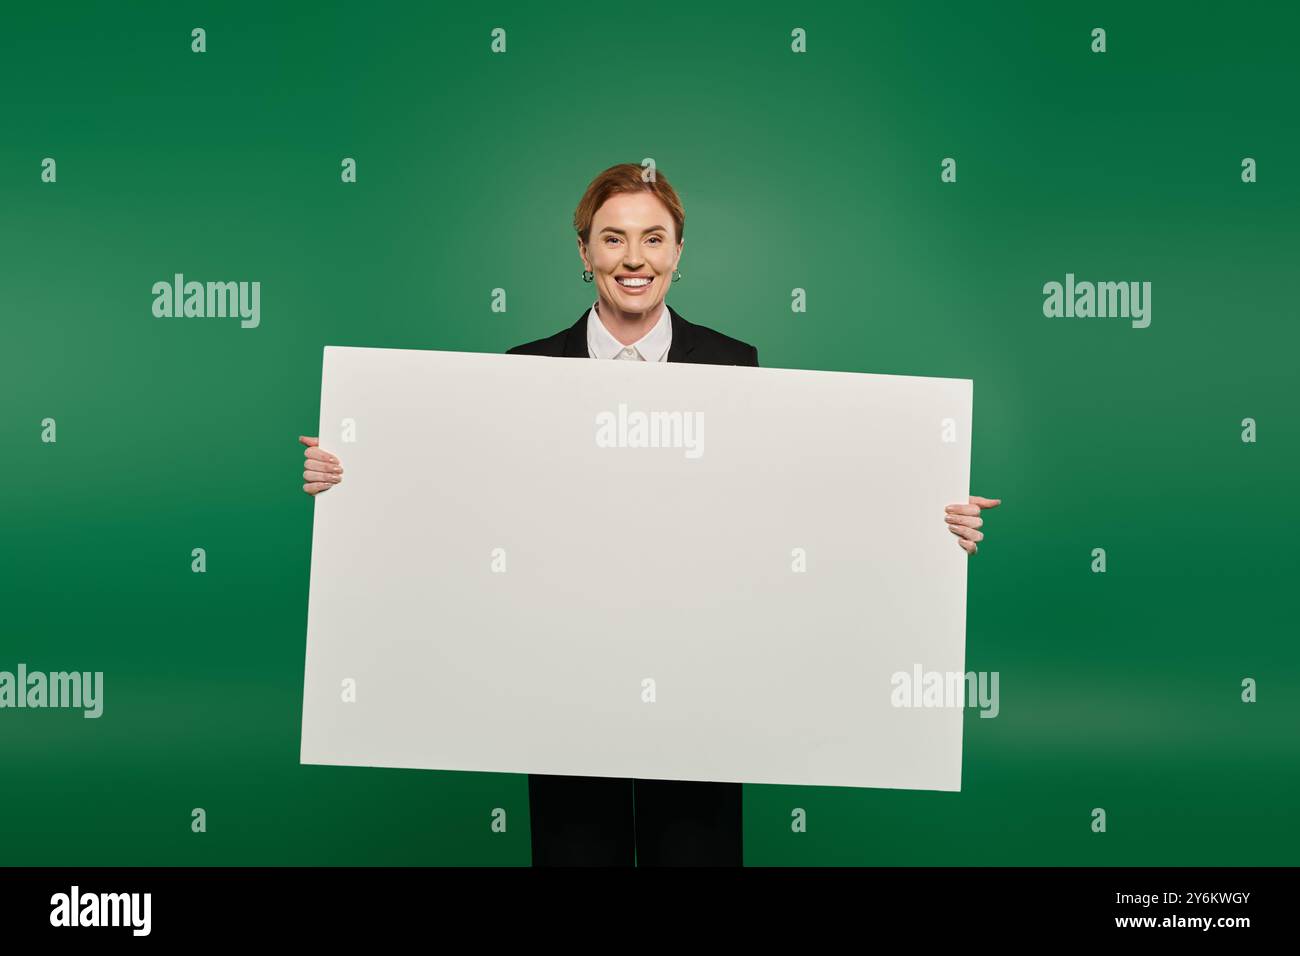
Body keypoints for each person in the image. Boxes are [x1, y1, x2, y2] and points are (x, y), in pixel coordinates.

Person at [297, 163, 1002, 866]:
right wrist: (351, 475)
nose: (634, 259)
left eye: (653, 239)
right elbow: (460, 499)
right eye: (613, 239)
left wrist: (925, 513)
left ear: (677, 253)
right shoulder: (524, 371)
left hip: (704, 677)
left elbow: (795, 504)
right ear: (584, 253)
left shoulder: (735, 366)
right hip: (563, 679)